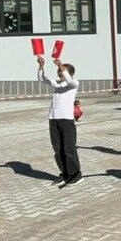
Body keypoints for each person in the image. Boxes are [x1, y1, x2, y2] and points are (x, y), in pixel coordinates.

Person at [37, 56, 82, 187]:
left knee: (69, 149)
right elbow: (42, 79)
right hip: (53, 119)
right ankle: (65, 173)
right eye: (59, 72)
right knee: (57, 149)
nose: (59, 74)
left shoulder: (74, 83)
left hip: (66, 120)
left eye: (61, 72)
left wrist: (60, 65)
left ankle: (75, 175)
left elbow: (68, 79)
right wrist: (41, 66)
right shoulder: (57, 84)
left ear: (69, 73)